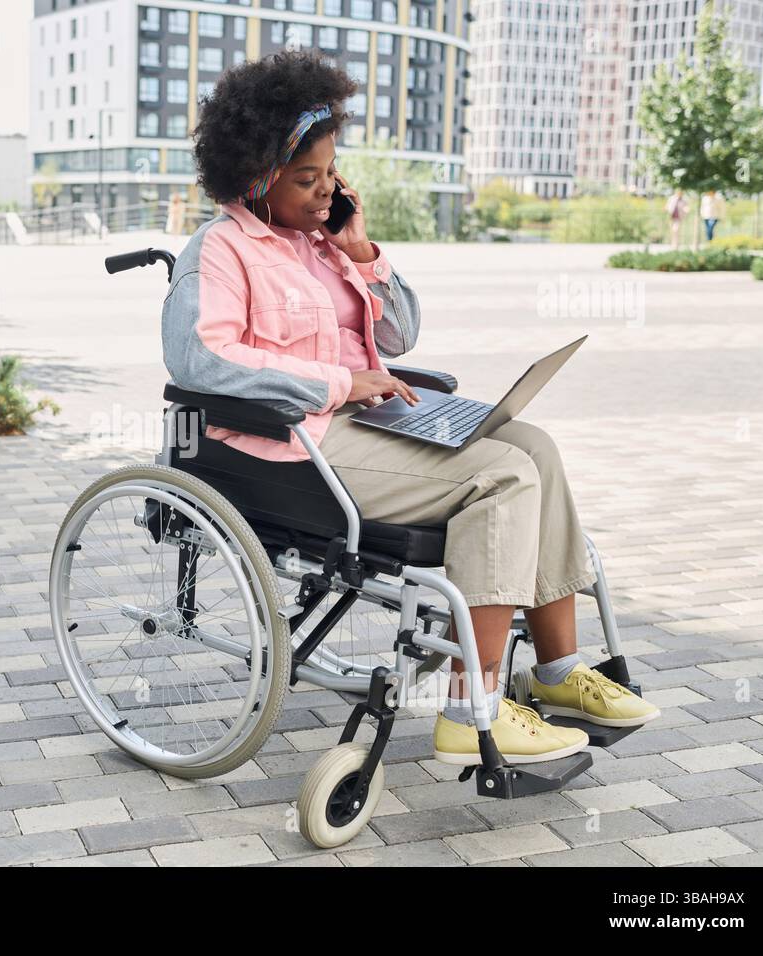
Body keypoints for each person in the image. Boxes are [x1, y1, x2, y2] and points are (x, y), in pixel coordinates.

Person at [161, 51, 659, 767]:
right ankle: (470, 709)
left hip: (362, 427)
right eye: (307, 179)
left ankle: (556, 675)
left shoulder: (321, 244)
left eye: (330, 173)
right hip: (293, 445)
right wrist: (341, 382)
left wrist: (359, 251)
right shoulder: (219, 251)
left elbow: (398, 336)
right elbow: (204, 362)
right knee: (502, 477)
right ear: (255, 178)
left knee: (537, 447)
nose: (324, 190)